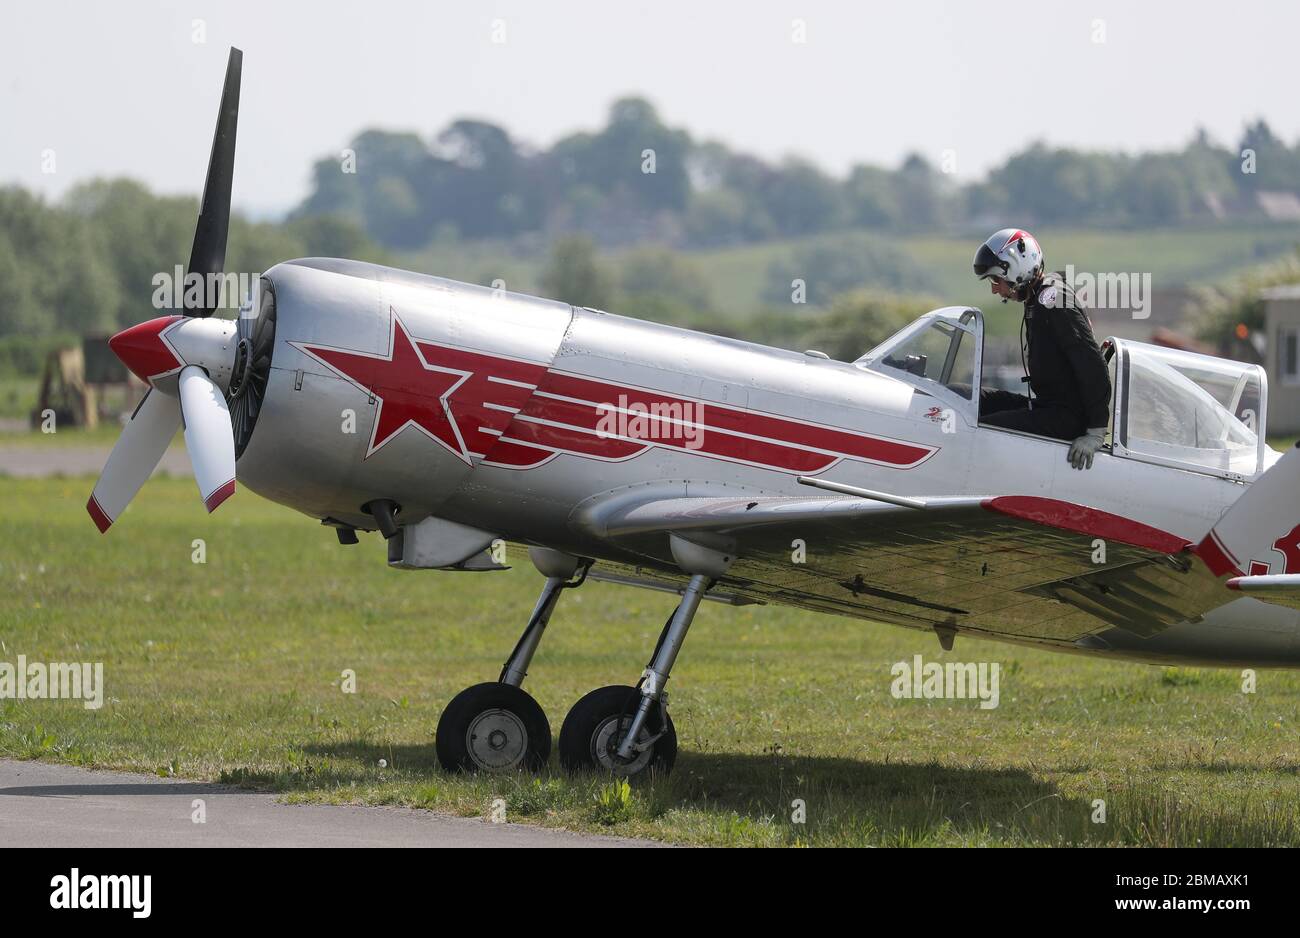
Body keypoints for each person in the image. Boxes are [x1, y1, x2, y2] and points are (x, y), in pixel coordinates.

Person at [972, 228, 1112, 470]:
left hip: (1066, 417)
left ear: (1016, 268)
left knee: (978, 428)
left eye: (996, 280)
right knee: (967, 397)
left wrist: (1096, 432)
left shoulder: (1053, 299)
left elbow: (1093, 364)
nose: (995, 289)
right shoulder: (1038, 297)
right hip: (1047, 407)